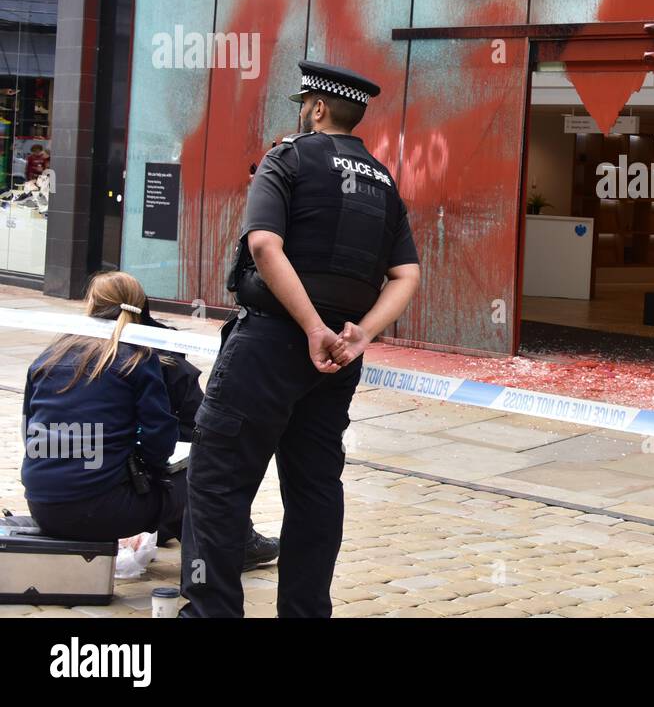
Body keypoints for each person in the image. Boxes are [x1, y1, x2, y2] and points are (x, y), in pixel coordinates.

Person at [181, 60, 420, 618]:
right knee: (315, 490)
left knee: (216, 482)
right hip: (337, 360)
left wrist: (312, 326)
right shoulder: (385, 183)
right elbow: (407, 275)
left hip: (270, 344)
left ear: (316, 108)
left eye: (303, 103)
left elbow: (265, 244)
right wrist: (358, 335)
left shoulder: (287, 157)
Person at [21, 272, 183, 543]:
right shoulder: (136, 359)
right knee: (200, 477)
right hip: (101, 509)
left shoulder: (47, 358)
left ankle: (161, 531)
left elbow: (29, 431)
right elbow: (160, 440)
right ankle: (209, 571)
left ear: (91, 304)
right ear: (141, 306)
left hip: (41, 505)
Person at [137, 297, 280, 568]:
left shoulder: (66, 350)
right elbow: (192, 429)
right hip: (116, 493)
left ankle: (171, 524)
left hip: (50, 496)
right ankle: (237, 544)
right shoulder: (158, 359)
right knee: (206, 473)